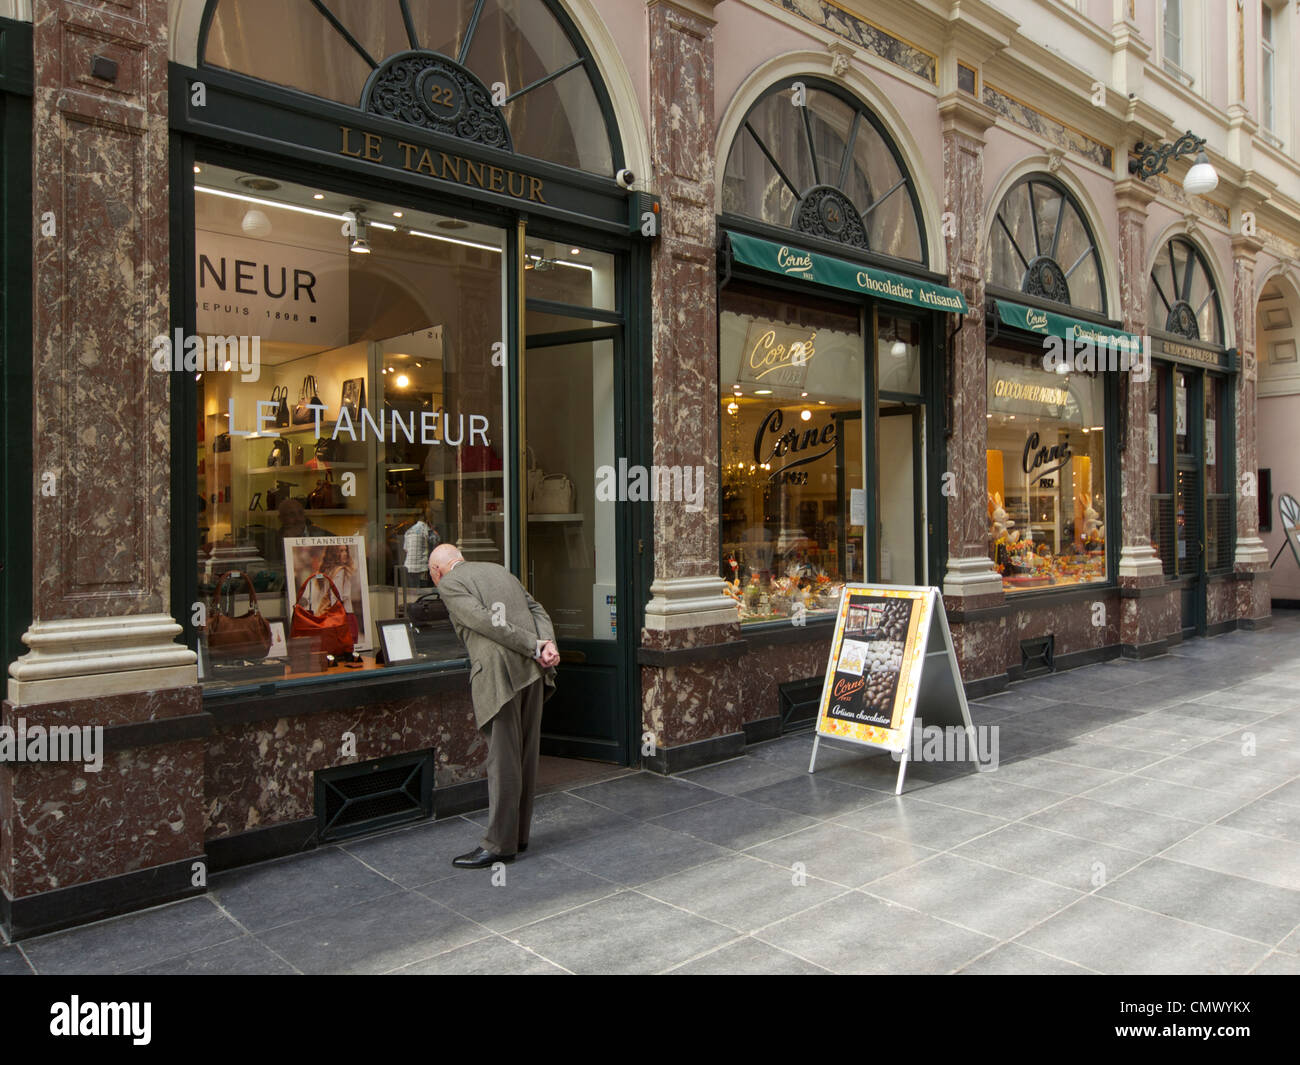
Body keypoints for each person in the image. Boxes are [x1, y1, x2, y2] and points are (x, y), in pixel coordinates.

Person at [429, 543, 559, 868]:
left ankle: (500, 845)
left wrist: (534, 645)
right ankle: (519, 836)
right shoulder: (499, 570)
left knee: (502, 761)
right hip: (532, 673)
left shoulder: (449, 584)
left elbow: (483, 621)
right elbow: (537, 610)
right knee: (526, 756)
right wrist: (546, 644)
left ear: (437, 571)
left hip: (500, 677)